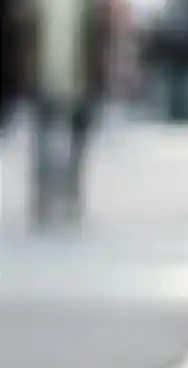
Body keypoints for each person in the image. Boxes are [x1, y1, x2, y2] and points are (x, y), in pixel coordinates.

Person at [30, 0, 106, 224]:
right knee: (43, 139)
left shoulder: (88, 6)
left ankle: (72, 192)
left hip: (81, 81)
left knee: (77, 142)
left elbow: (98, 43)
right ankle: (43, 195)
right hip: (44, 80)